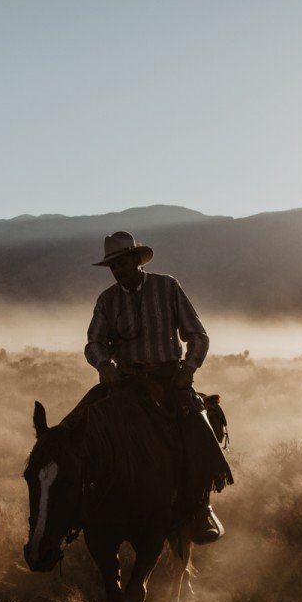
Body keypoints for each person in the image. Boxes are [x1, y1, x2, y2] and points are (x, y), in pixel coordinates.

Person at [83, 231, 230, 543]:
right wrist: (104, 365)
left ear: (137, 260)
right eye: (113, 266)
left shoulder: (167, 287)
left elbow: (197, 335)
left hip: (169, 377)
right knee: (78, 426)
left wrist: (188, 369)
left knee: (199, 428)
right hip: (125, 381)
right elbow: (93, 342)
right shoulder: (107, 300)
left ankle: (201, 507)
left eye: (122, 263)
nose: (118, 270)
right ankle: (81, 507)